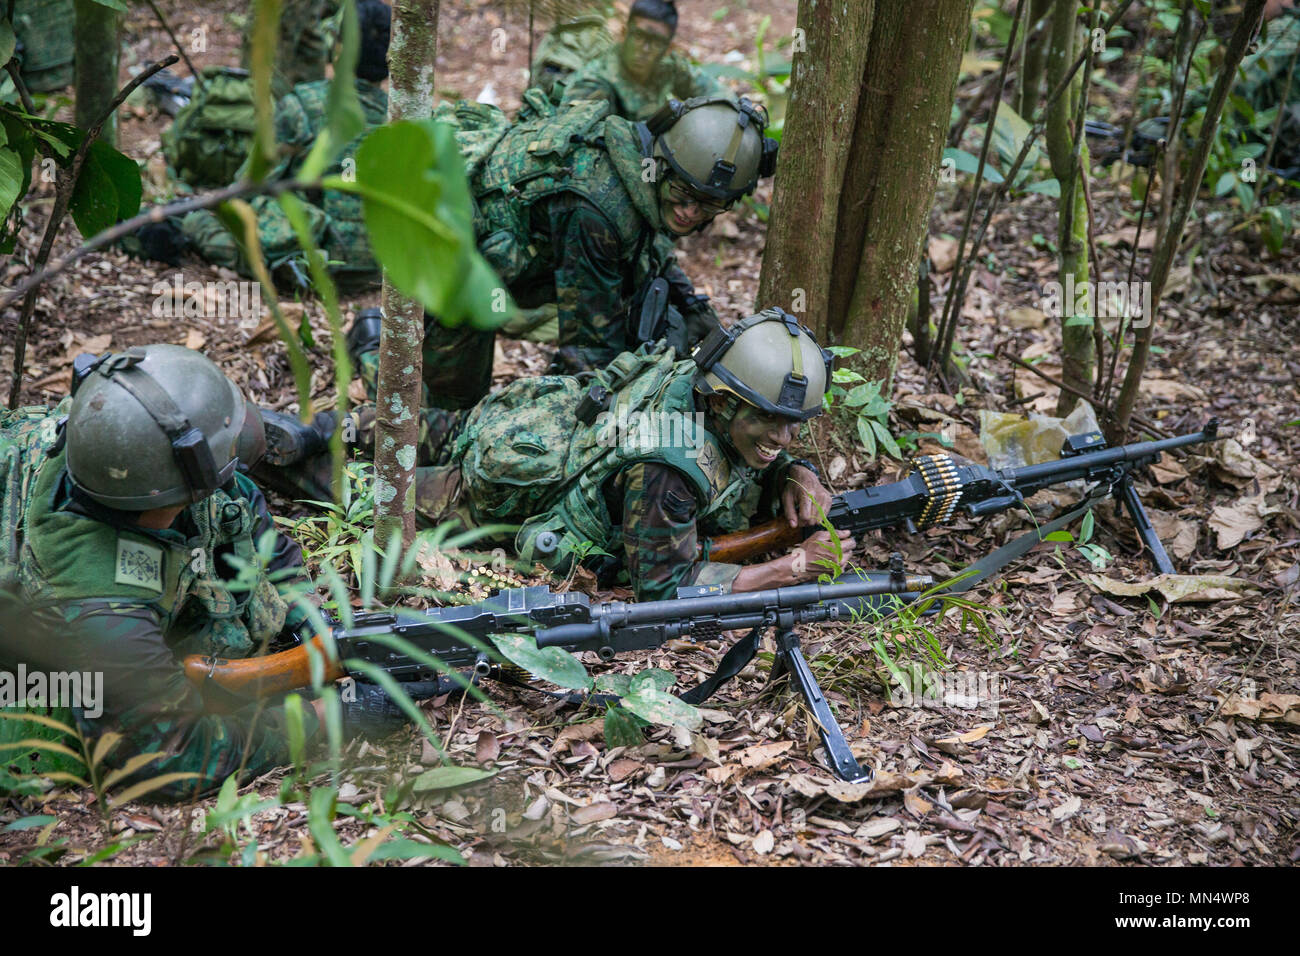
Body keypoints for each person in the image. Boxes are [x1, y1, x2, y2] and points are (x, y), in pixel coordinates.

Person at [0, 345, 432, 799]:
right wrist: (327, 718)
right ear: (172, 490)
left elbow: (246, 515)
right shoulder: (100, 606)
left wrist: (308, 619)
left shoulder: (116, 445)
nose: (228, 475)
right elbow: (172, 756)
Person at [263, 309, 855, 603]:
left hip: (543, 422)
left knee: (439, 427)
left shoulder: (701, 375)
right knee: (376, 490)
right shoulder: (671, 469)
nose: (780, 437)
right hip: (515, 491)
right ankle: (258, 458)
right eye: (765, 421)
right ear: (723, 404)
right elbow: (666, 587)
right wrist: (791, 568)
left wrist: (793, 471)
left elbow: (757, 452)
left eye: (792, 427)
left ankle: (361, 370)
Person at [342, 93, 778, 426]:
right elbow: (588, 346)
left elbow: (651, 249)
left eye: (708, 206)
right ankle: (369, 342)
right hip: (456, 253)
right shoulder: (597, 207)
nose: (688, 213)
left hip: (517, 255)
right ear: (661, 166)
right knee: (440, 420)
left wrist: (692, 306)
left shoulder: (639, 167)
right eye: (682, 195)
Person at [148, 0, 391, 279]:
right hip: (384, 268)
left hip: (318, 263)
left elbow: (246, 187)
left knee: (196, 221)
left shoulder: (302, 105)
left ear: (337, 51)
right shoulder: (408, 119)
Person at [552, 0, 726, 121]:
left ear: (668, 48)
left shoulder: (669, 66)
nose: (645, 49)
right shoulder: (594, 82)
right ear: (624, 32)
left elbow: (719, 96)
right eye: (638, 36)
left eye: (656, 42)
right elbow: (579, 143)